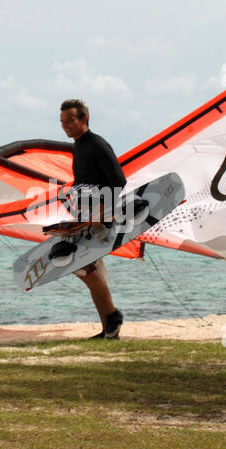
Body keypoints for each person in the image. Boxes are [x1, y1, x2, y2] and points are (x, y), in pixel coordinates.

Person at [57, 99, 125, 339]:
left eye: (71, 121)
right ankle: (109, 324)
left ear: (84, 119)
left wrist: (102, 212)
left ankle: (112, 318)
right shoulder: (78, 147)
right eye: (63, 122)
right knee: (87, 270)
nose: (66, 126)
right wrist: (70, 214)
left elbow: (118, 180)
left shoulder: (97, 144)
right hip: (85, 218)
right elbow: (82, 183)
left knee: (88, 268)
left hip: (101, 218)